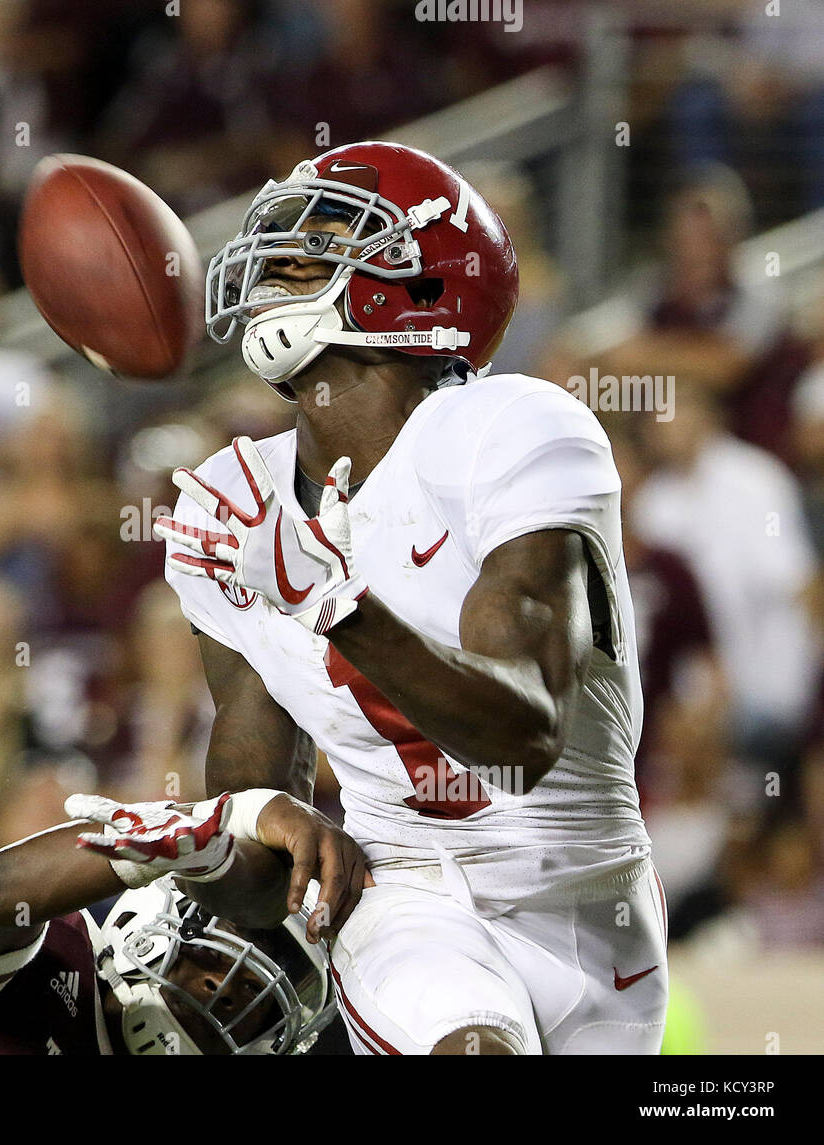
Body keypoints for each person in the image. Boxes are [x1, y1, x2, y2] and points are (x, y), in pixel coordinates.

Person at [154, 141, 668, 1054]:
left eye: (317, 242)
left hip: (590, 904)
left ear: (424, 284)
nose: (273, 261)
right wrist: (197, 848)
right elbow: (271, 855)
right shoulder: (227, 508)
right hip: (407, 890)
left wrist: (333, 601)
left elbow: (520, 742)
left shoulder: (513, 428)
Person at [0, 792, 334, 1055]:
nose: (224, 992)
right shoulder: (53, 951)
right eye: (221, 956)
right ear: (155, 916)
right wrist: (147, 848)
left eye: (257, 995)